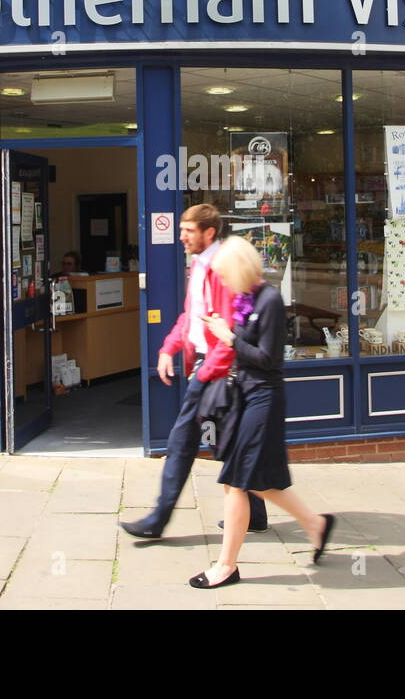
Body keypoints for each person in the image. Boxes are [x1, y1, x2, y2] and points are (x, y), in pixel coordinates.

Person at [189, 235, 335, 589]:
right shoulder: (246, 298)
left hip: (264, 399)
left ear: (239, 268)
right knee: (256, 482)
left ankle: (226, 566)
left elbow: (270, 359)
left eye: (225, 274)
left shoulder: (269, 300)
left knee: (237, 483)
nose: (222, 281)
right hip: (246, 396)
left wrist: (228, 338)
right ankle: (316, 525)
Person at [120, 205, 268, 539]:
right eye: (182, 229)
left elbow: (229, 331)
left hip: (218, 368)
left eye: (189, 230)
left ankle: (158, 519)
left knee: (182, 441)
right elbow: (191, 316)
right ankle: (255, 514)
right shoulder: (199, 265)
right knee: (228, 445)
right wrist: (167, 348)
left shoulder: (222, 267)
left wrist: (204, 373)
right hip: (207, 365)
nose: (182, 236)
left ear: (209, 233)